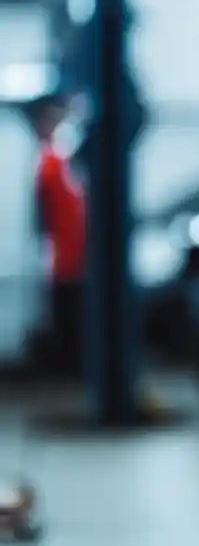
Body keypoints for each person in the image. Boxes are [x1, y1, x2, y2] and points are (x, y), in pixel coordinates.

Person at [25, 94, 86, 374]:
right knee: (67, 318)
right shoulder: (51, 162)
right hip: (64, 257)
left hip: (71, 257)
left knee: (71, 317)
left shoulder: (59, 160)